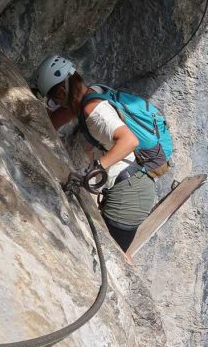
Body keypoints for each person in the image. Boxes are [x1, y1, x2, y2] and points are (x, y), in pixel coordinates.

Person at [34, 55, 156, 252]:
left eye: (52, 98)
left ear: (63, 91)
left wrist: (97, 169)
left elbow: (129, 140)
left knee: (109, 255)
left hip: (128, 195)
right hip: (132, 188)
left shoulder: (93, 109)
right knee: (114, 252)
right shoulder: (90, 96)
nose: (52, 103)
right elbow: (52, 123)